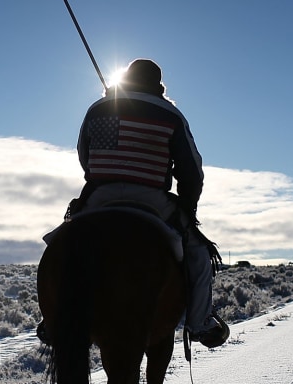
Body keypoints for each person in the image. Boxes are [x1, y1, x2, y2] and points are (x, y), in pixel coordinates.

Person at [68, 58, 228, 348]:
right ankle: (200, 323)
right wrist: (188, 206)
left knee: (65, 243)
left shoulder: (98, 108)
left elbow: (83, 154)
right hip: (152, 198)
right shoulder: (171, 114)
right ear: (158, 85)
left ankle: (55, 317)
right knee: (198, 254)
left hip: (100, 195)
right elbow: (191, 170)